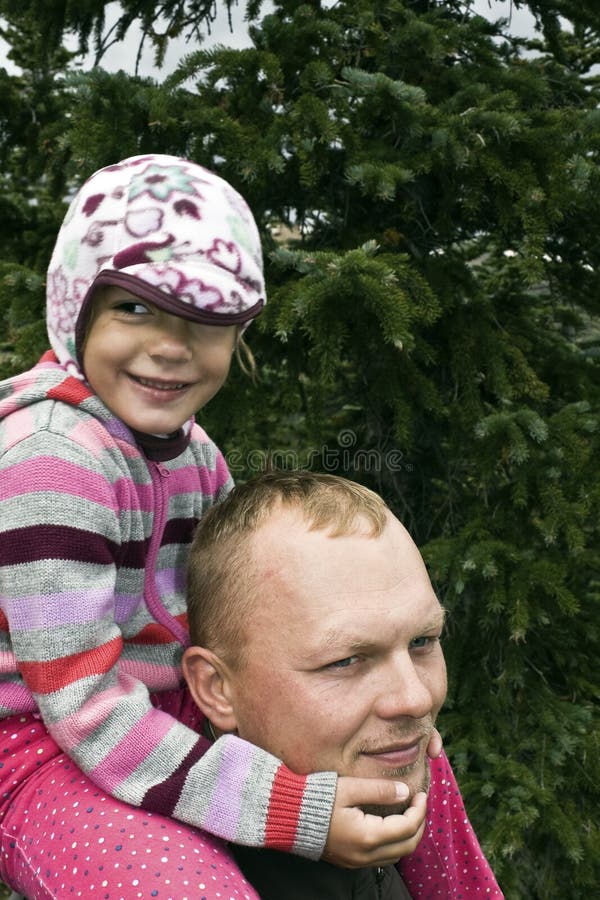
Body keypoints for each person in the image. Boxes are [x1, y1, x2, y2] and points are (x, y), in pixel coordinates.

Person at [0, 154, 442, 899]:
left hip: (163, 714)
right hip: (37, 750)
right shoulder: (52, 463)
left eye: (205, 322)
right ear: (75, 306)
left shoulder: (195, 452)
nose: (172, 346)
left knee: (407, 756)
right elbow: (81, 704)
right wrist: (293, 809)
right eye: (135, 309)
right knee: (182, 887)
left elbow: (240, 608)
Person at [183, 470, 504, 899]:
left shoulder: (410, 847)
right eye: (346, 661)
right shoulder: (168, 875)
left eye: (422, 641)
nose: (416, 697)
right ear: (217, 689)